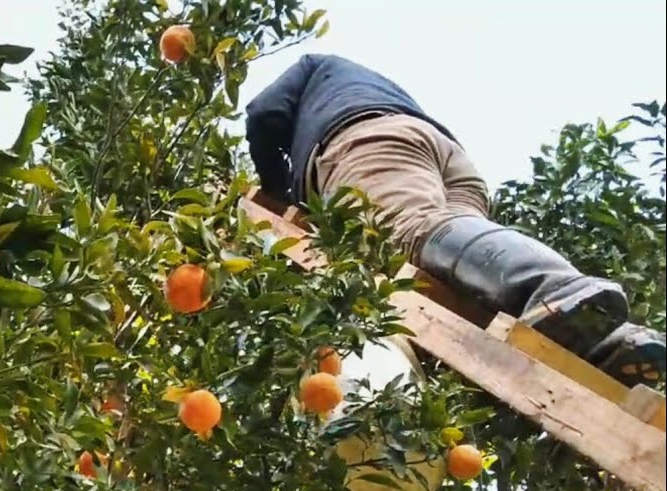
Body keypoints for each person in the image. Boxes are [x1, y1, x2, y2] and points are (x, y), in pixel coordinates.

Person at [244, 53, 664, 389]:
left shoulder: (315, 67)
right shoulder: (372, 83)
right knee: (446, 266)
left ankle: (558, 287)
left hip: (366, 142)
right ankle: (613, 343)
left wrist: (279, 191)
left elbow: (264, 113)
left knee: (411, 231)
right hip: (442, 159)